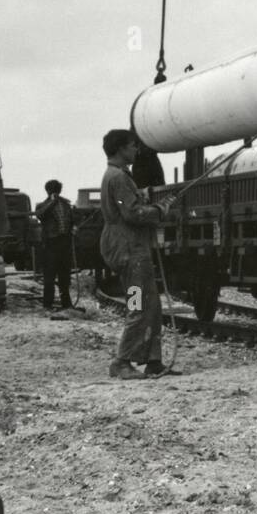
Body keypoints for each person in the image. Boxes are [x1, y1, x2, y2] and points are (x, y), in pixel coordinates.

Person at [99, 129, 169, 379]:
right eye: (132, 146)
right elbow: (133, 214)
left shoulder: (117, 176)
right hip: (129, 251)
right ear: (120, 149)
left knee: (152, 305)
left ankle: (153, 361)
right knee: (138, 304)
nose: (136, 150)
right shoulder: (118, 178)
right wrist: (159, 210)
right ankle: (121, 362)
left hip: (132, 248)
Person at [34, 179, 76, 312]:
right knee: (49, 277)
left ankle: (66, 304)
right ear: (47, 191)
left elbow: (73, 219)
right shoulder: (42, 205)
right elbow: (40, 215)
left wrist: (74, 227)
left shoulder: (66, 204)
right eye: (53, 191)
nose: (56, 193)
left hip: (65, 243)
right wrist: (52, 202)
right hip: (50, 244)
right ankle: (47, 304)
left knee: (65, 276)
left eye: (57, 191)